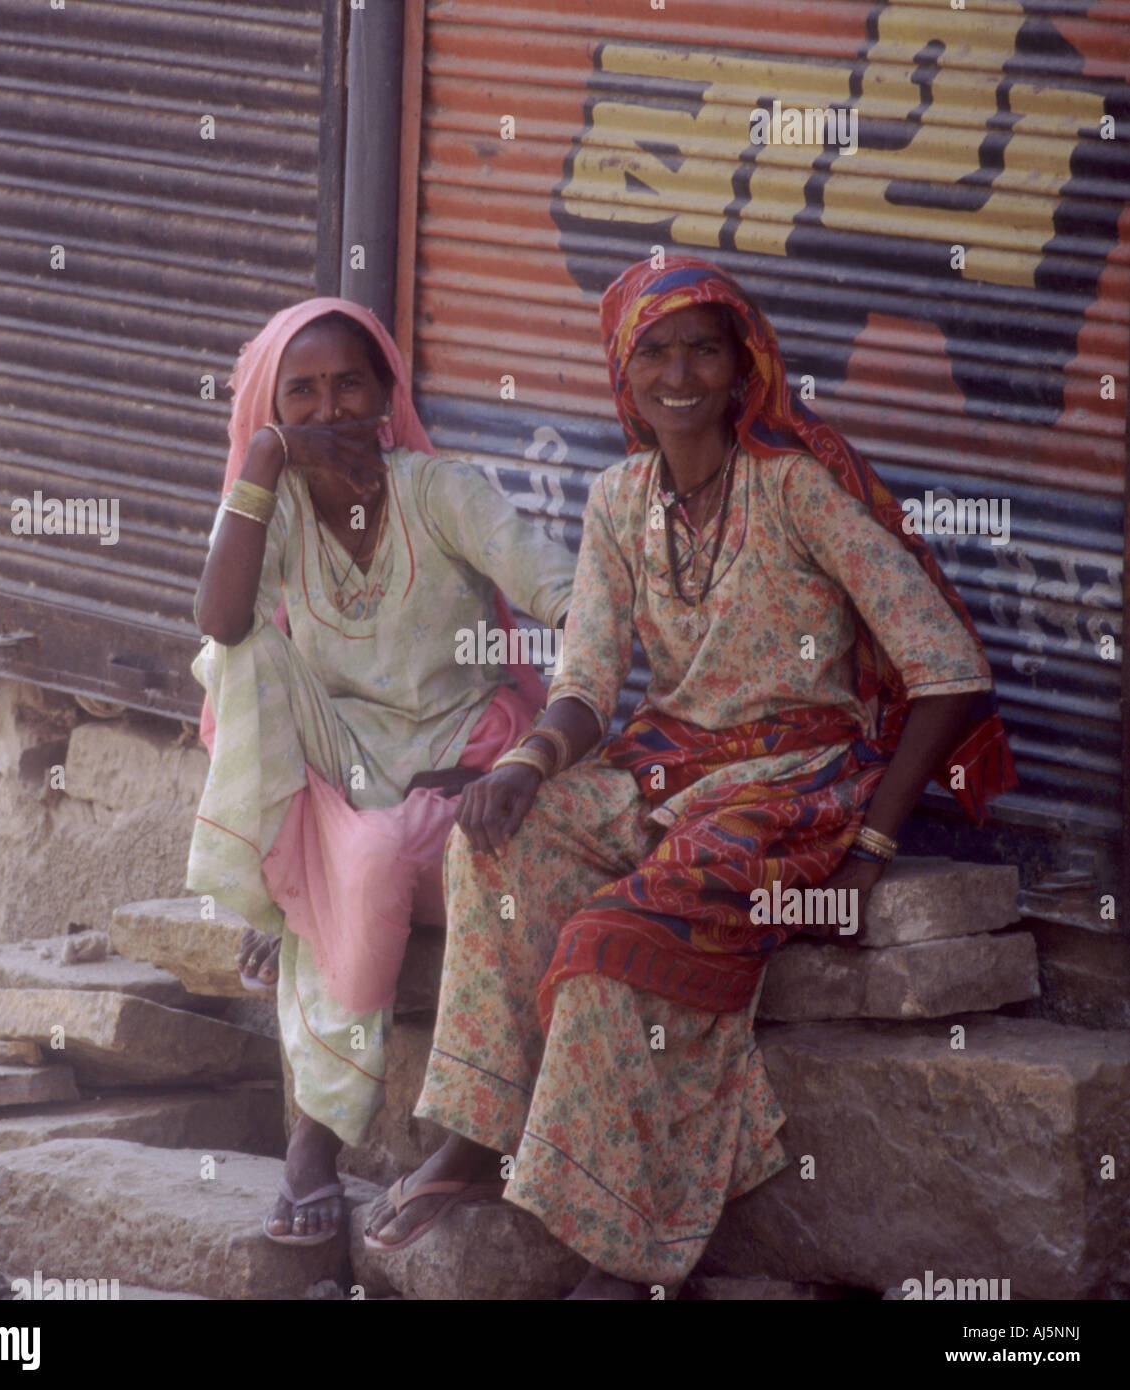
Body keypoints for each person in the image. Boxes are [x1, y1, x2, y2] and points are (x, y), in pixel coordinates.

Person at [363, 256, 1016, 1297]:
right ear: (622, 375)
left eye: (702, 348)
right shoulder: (619, 497)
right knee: (496, 839)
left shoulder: (795, 486)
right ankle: (479, 1132)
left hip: (792, 782)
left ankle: (625, 1250)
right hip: (670, 768)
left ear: (741, 363)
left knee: (614, 947)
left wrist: (869, 850)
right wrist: (525, 764)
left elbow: (949, 670)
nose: (679, 372)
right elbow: (584, 682)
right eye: (653, 351)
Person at [189, 297, 574, 1248]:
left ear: (385, 391)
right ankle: (285, 905)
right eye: (302, 392)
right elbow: (221, 618)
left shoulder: (441, 491)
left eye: (348, 383)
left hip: (463, 759)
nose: (328, 409)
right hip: (348, 766)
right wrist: (261, 466)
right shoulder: (274, 507)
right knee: (238, 659)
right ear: (272, 410)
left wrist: (548, 743)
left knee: (366, 863)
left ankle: (310, 1145)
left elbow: (573, 601)